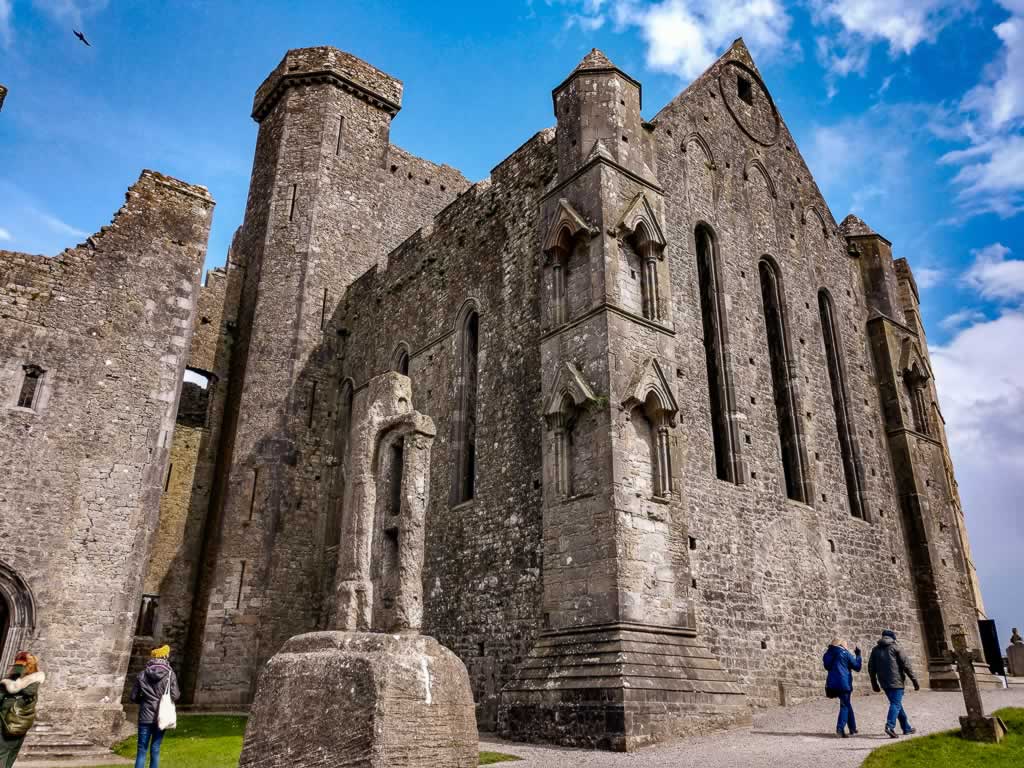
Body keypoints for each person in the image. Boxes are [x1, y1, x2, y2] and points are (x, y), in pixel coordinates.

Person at [129, 645, 179, 768]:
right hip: (162, 716)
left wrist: (144, 701)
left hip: (145, 716)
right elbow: (175, 695)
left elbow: (133, 696)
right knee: (155, 748)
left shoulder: (142, 674)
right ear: (165, 656)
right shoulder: (170, 674)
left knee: (141, 750)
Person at [868, 629, 919, 738]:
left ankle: (906, 728)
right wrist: (914, 681)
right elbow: (906, 666)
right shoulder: (896, 647)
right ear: (893, 638)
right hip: (896, 682)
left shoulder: (875, 650)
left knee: (897, 704)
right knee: (895, 704)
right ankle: (890, 726)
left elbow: (871, 668)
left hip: (884, 682)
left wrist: (874, 683)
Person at [0, 651, 45, 768]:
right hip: (22, 721)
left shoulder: (12, 681)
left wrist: (16, 671)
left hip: (7, 720)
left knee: (3, 752)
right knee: (11, 752)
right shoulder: (34, 681)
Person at [823, 637, 862, 737]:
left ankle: (852, 728)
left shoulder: (827, 654)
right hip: (844, 683)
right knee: (845, 706)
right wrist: (858, 655)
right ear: (842, 645)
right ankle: (840, 729)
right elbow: (857, 667)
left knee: (847, 704)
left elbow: (827, 667)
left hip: (832, 684)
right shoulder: (845, 653)